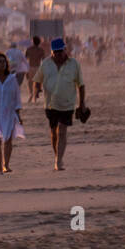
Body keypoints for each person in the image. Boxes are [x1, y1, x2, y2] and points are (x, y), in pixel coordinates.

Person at [32, 37, 86, 171]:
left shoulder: (74, 64)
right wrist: (37, 89)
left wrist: (82, 103)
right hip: (50, 104)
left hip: (68, 104)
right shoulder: (46, 64)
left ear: (65, 50)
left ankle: (59, 160)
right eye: (55, 52)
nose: (58, 54)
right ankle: (57, 154)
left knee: (62, 130)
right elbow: (37, 79)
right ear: (51, 52)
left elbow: (81, 85)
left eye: (60, 51)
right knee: (53, 132)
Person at [24, 36, 46, 103]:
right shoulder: (41, 50)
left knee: (30, 82)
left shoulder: (29, 49)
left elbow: (25, 58)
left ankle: (31, 93)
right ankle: (35, 95)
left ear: (33, 42)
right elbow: (44, 59)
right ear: (39, 42)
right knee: (37, 82)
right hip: (38, 67)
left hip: (30, 67)